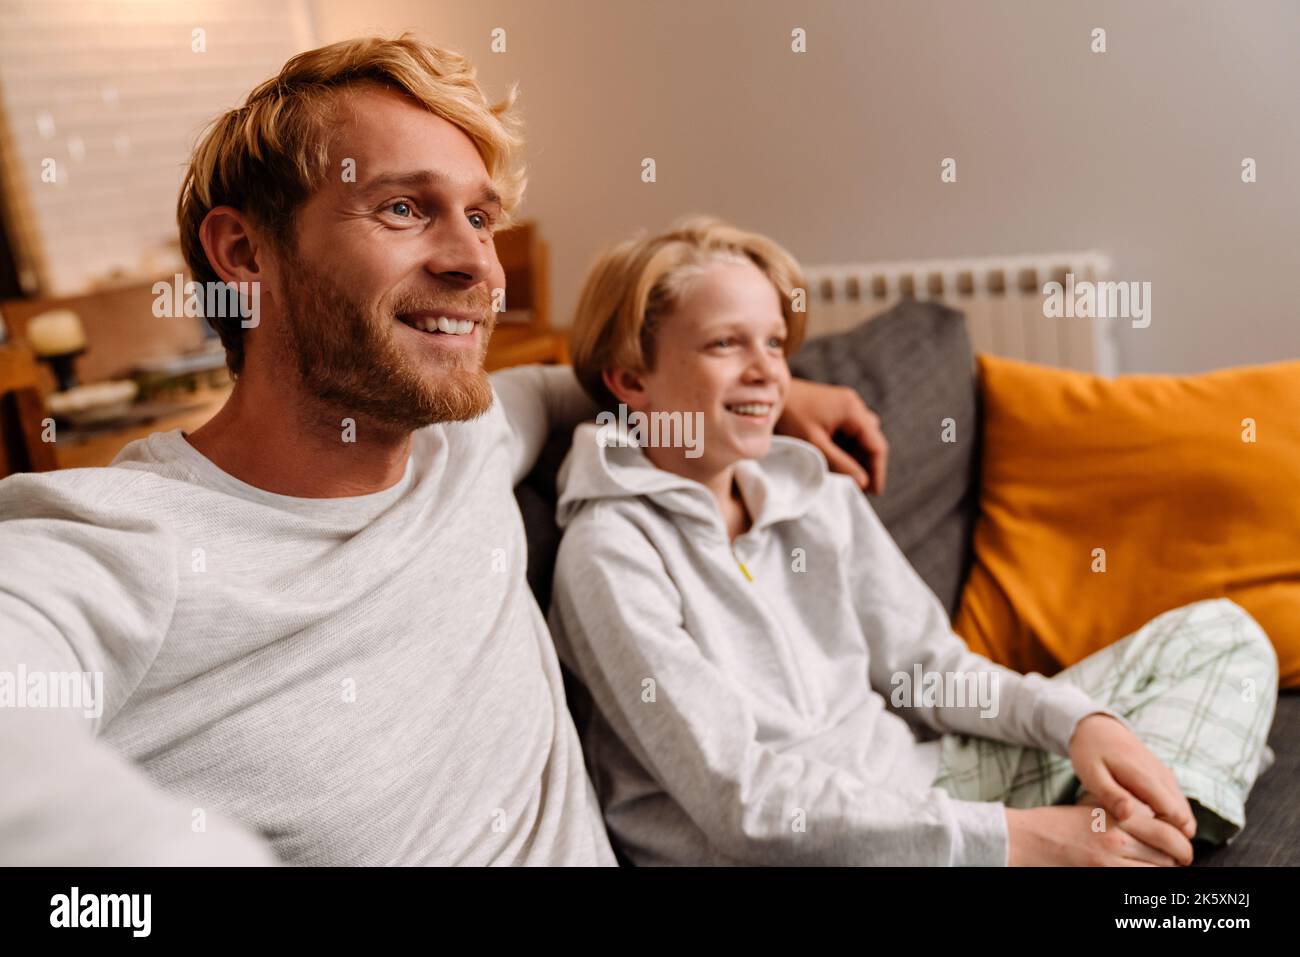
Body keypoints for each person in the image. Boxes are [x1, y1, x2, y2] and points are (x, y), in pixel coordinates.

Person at [0, 38, 885, 866]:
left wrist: (766, 392)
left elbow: (585, 382)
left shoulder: (470, 442)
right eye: (402, 207)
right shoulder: (113, 545)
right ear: (244, 254)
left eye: (482, 217)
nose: (478, 264)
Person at [549, 216, 1280, 866]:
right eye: (724, 344)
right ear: (630, 380)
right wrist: (1021, 841)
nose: (768, 371)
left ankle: (1128, 842)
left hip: (922, 791)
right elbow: (745, 803)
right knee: (1136, 785)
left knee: (1221, 637)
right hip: (787, 847)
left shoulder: (818, 496)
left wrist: (1079, 723)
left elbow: (927, 668)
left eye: (774, 341)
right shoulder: (610, 549)